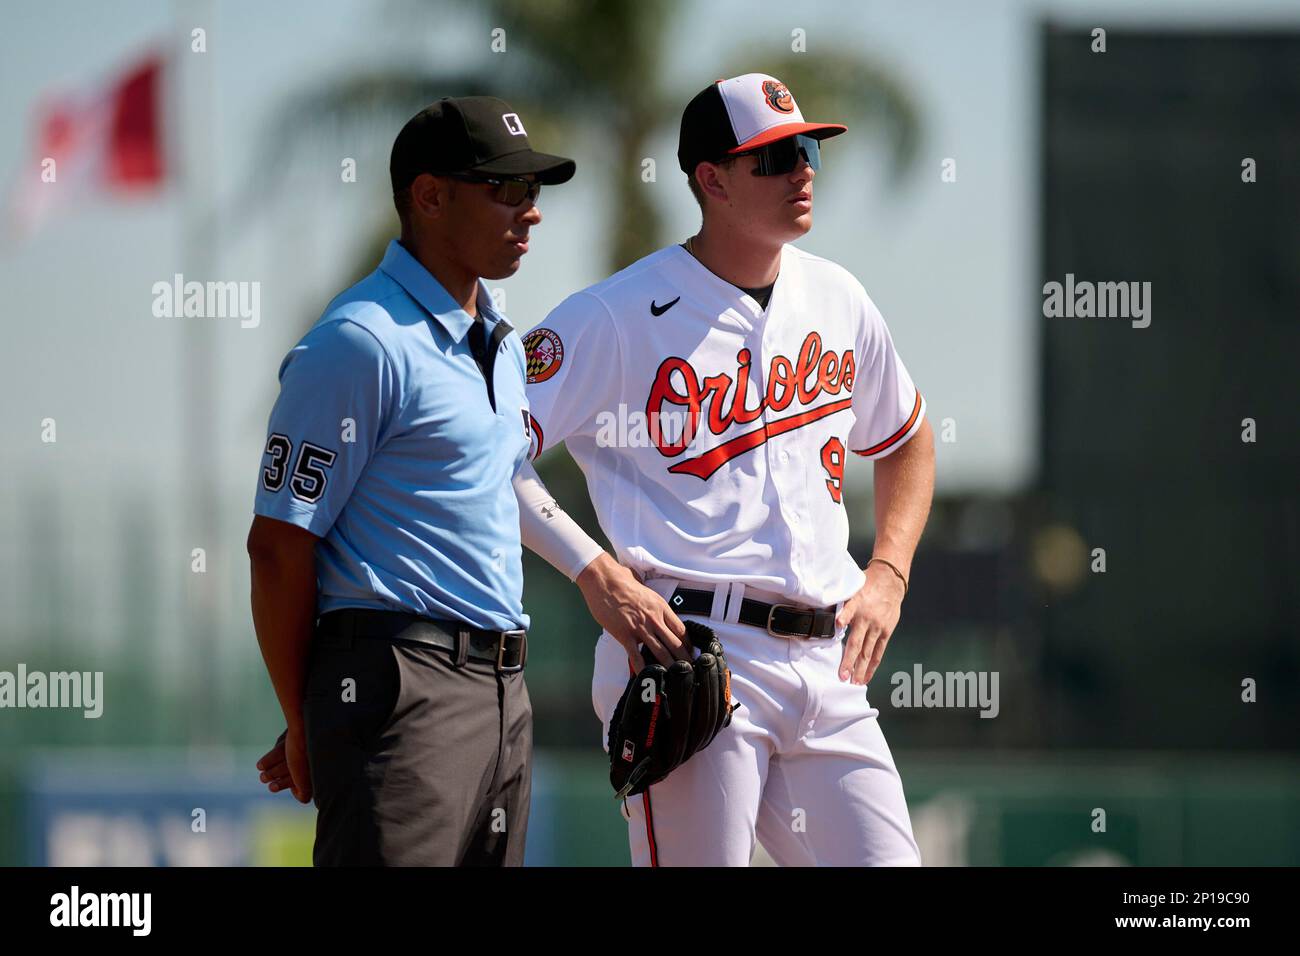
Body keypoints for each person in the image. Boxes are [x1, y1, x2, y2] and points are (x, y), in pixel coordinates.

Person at [518, 73, 936, 866]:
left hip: (830, 660)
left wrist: (890, 571)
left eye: (807, 149)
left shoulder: (838, 297)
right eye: (774, 158)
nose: (802, 170)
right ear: (711, 180)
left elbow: (911, 438)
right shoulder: (615, 314)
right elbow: (483, 450)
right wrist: (591, 569)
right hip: (693, 652)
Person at [247, 95, 576, 866]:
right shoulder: (360, 341)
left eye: (535, 192)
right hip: (406, 684)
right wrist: (307, 716)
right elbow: (276, 545)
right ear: (430, 196)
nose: (530, 213)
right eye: (507, 189)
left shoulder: (496, 338)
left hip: (501, 692)